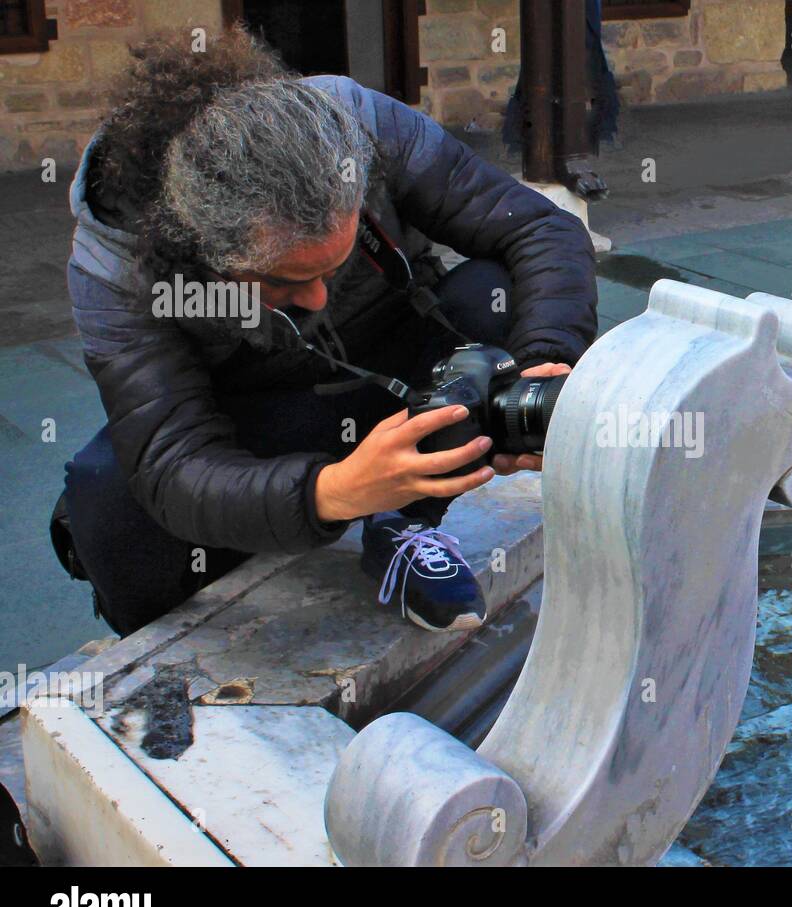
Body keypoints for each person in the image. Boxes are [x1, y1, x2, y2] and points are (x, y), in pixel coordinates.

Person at [60, 27, 596, 637]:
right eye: (287, 281)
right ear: (203, 252)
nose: (317, 296)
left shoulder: (363, 127)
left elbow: (540, 231)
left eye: (336, 264)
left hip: (395, 373)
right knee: (107, 497)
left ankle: (405, 519)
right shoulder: (115, 266)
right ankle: (164, 660)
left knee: (490, 292)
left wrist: (545, 363)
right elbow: (174, 466)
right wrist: (333, 492)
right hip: (254, 420)